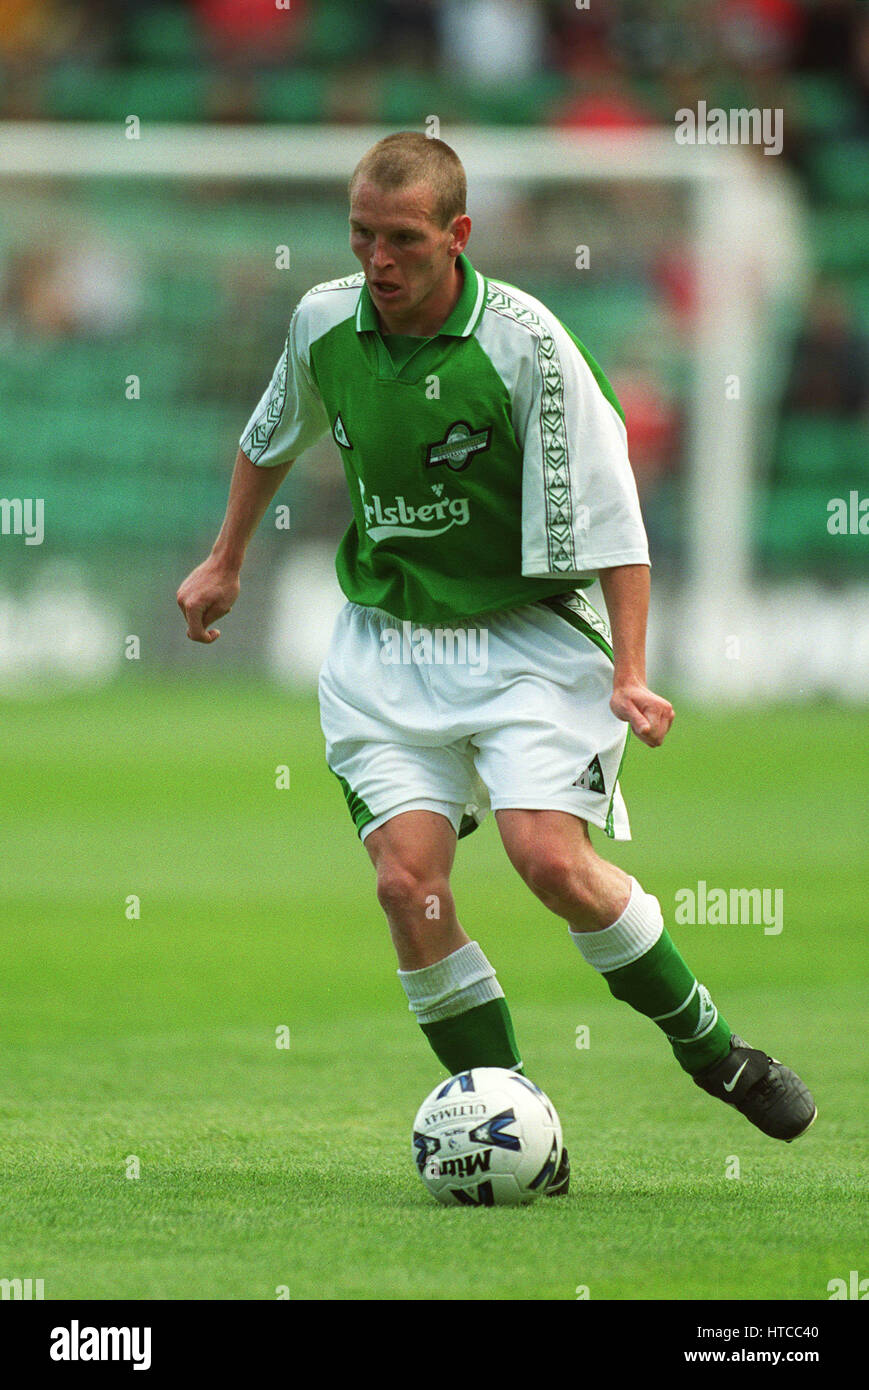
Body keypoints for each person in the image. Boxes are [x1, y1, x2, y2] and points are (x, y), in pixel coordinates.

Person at [176, 132, 816, 1196]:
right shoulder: (324, 321)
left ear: (456, 236)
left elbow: (614, 520)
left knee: (547, 861)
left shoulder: (528, 346)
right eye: (361, 237)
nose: (378, 261)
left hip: (527, 640)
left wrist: (631, 670)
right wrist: (224, 558)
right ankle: (508, 1120)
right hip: (385, 648)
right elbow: (269, 433)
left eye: (403, 241)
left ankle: (715, 1052)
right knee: (404, 884)